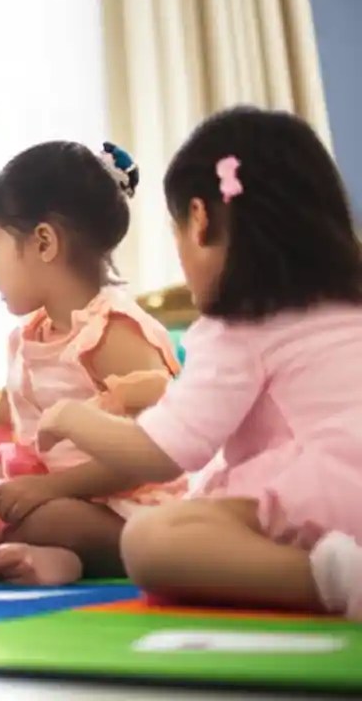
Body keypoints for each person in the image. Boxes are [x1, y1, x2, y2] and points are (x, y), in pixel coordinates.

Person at [37, 106, 362, 619]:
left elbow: (160, 453)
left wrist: (69, 417)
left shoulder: (240, 324)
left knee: (152, 540)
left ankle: (337, 581)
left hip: (331, 491)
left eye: (176, 231)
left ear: (200, 219)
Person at [0, 141, 186, 585]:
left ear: (43, 242)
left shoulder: (113, 332)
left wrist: (48, 488)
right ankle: (13, 557)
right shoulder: (27, 339)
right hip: (41, 495)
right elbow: (2, 425)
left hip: (122, 505)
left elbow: (155, 454)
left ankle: (26, 553)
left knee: (50, 520)